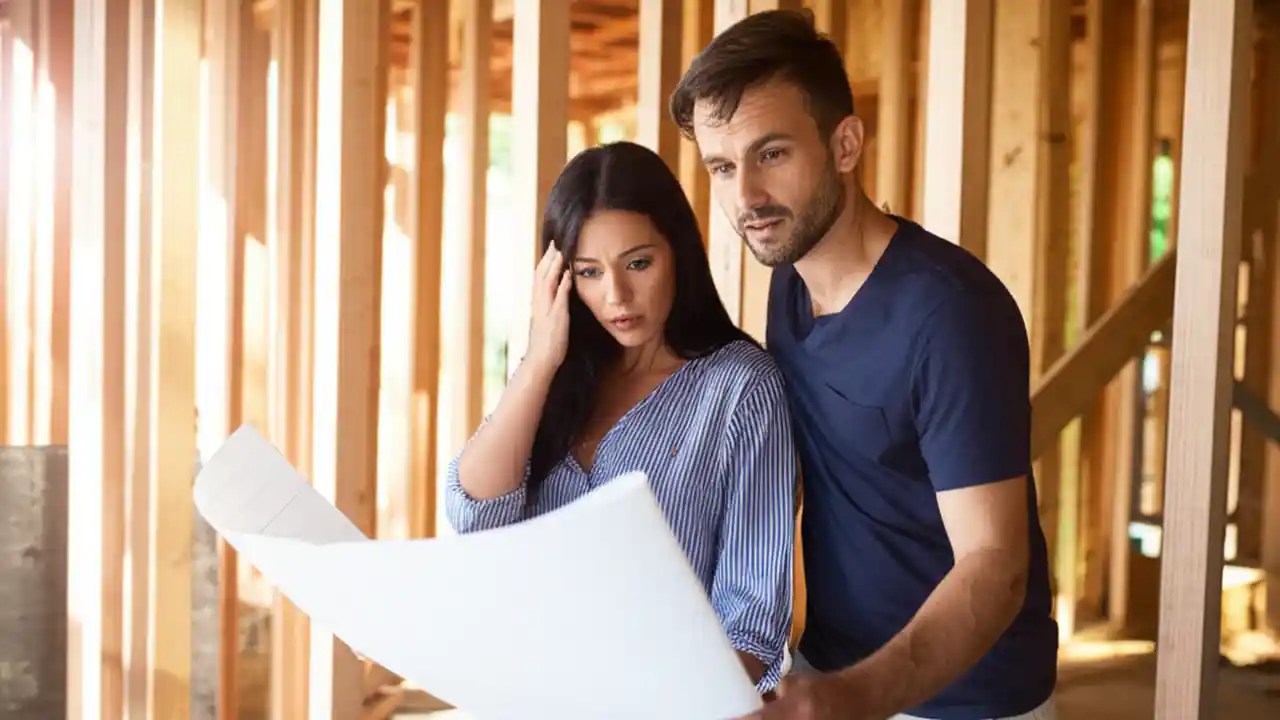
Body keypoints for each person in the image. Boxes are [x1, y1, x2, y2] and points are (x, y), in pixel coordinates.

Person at [670, 9, 1058, 720]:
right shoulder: (788, 278)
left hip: (963, 701)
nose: (746, 196)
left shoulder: (950, 314)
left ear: (845, 144)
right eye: (724, 167)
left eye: (773, 153)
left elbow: (995, 566)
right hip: (830, 672)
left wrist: (859, 696)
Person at [443, 140, 798, 693]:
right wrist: (539, 360)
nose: (617, 295)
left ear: (677, 252)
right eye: (588, 272)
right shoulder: (556, 378)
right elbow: (475, 517)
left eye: (638, 263)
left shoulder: (741, 388)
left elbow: (751, 627)